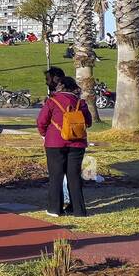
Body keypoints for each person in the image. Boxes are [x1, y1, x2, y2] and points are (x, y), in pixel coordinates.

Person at [37, 76, 93, 217]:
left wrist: (44, 134)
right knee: (74, 176)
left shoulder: (52, 101)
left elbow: (41, 121)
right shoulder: (81, 103)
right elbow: (89, 122)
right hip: (77, 143)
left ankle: (55, 209)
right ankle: (78, 210)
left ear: (60, 87)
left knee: (56, 176)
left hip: (54, 142)